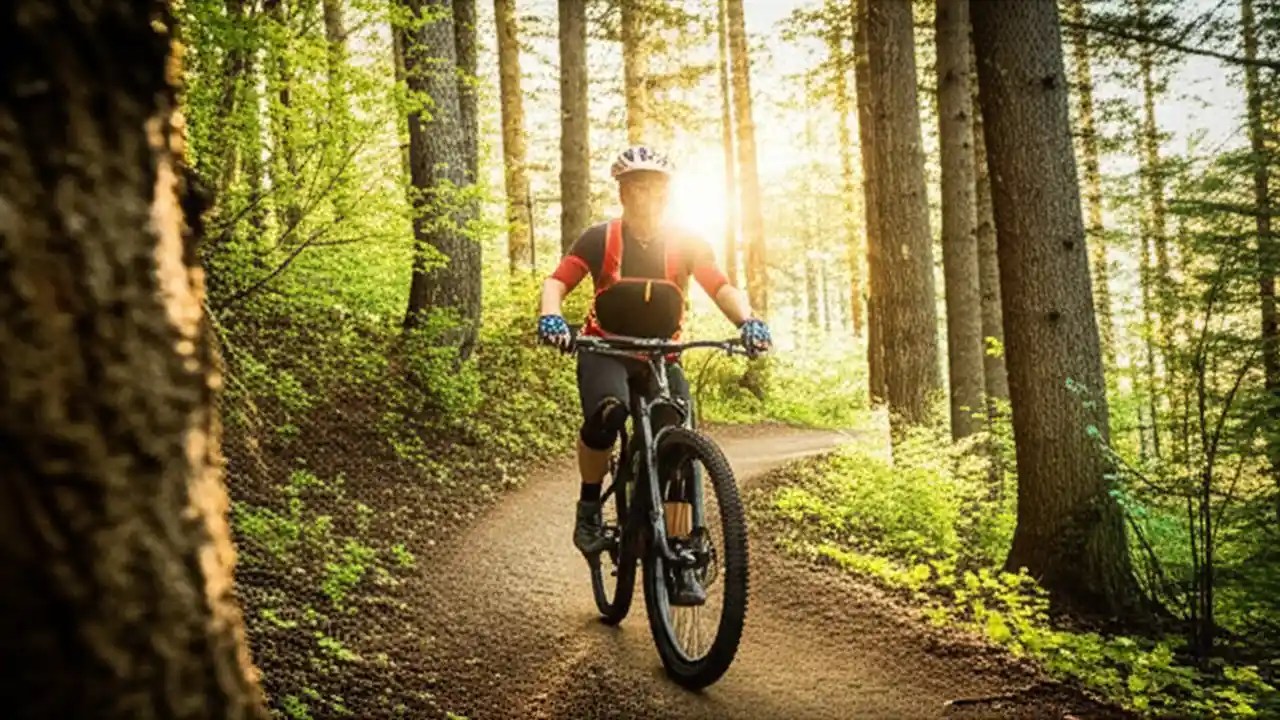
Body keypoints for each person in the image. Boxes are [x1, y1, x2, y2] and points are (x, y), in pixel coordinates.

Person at [537, 145, 772, 606]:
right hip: (605, 348)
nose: (649, 193)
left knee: (679, 451)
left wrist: (748, 321)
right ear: (623, 191)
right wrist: (551, 316)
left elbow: (720, 285)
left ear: (668, 193)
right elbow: (557, 281)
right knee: (607, 414)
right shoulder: (601, 238)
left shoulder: (686, 242)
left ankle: (682, 556)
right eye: (639, 184)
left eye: (657, 185)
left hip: (663, 357)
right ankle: (589, 511)